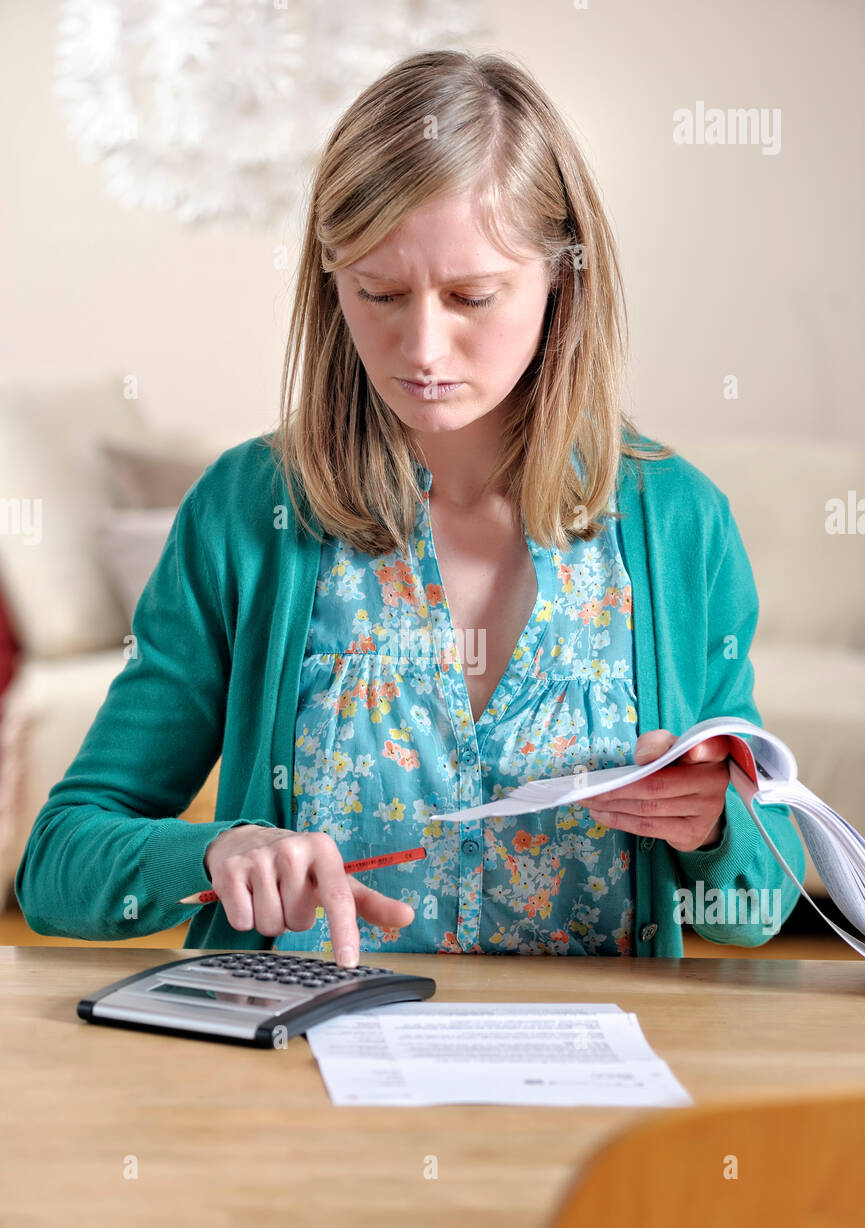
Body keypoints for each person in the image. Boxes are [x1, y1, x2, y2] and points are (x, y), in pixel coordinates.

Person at [15, 49, 804, 963]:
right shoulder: (247, 512)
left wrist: (712, 831)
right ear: (329, 283)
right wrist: (216, 849)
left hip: (588, 1079)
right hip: (302, 1064)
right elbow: (56, 865)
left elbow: (756, 909)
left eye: (472, 295)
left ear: (560, 278)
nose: (421, 347)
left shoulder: (677, 523)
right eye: (378, 293)